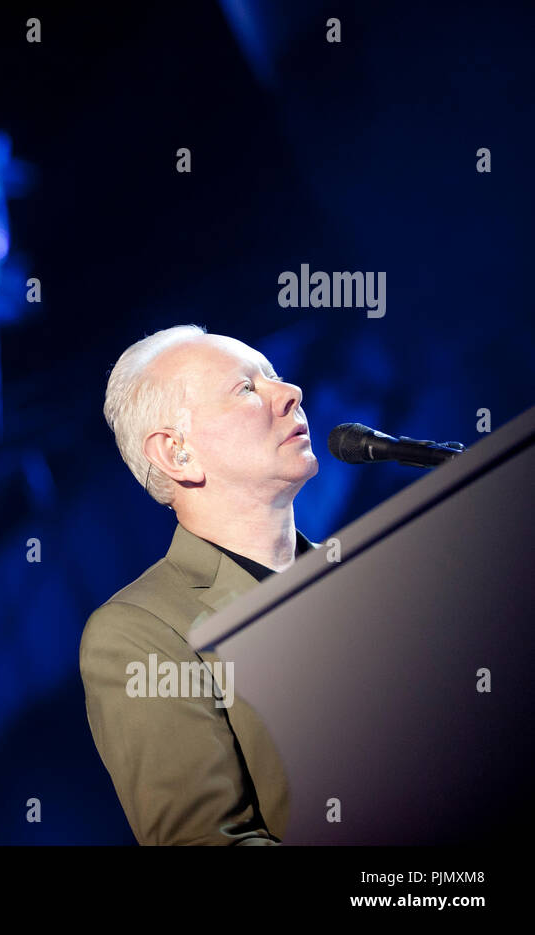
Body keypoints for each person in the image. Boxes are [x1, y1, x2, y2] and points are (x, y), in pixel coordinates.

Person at [79, 324, 320, 844]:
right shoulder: (139, 631)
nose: (290, 393)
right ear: (176, 453)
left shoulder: (364, 579)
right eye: (247, 389)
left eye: (274, 377)